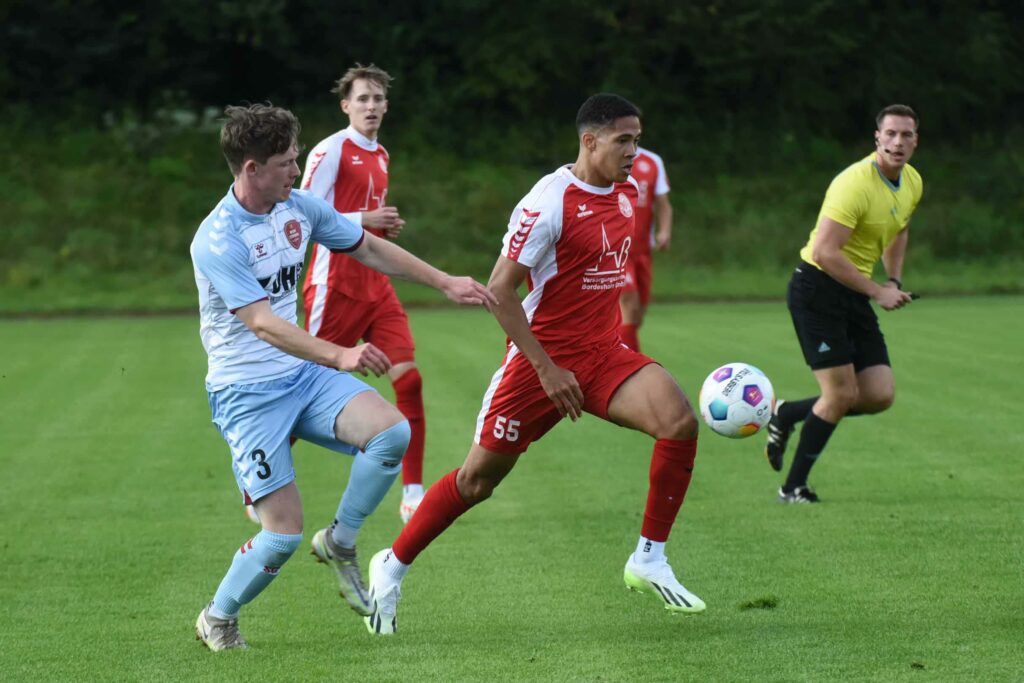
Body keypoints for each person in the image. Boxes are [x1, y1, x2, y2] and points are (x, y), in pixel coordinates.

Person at [361, 93, 706, 636]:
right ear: (589, 140)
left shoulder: (627, 190)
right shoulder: (547, 202)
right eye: (624, 141)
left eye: (637, 140)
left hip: (602, 353)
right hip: (536, 363)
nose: (634, 152)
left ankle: (648, 558)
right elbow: (499, 291)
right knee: (477, 482)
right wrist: (547, 369)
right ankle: (392, 564)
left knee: (679, 422)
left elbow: (606, 271)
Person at [190, 103, 495, 651]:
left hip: (299, 376)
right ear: (251, 168)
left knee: (390, 432)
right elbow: (261, 323)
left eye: (296, 157)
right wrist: (340, 354)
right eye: (286, 162)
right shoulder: (217, 239)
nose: (296, 169)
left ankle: (340, 540)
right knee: (280, 537)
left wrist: (444, 281)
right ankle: (217, 616)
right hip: (246, 396)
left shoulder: (299, 207)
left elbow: (370, 247)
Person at [765, 104, 922, 503]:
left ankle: (787, 414)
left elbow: (900, 228)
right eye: (890, 134)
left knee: (878, 393)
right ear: (877, 138)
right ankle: (792, 488)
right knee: (838, 394)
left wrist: (894, 279)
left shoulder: (913, 182)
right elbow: (825, 252)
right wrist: (877, 291)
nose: (898, 142)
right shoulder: (854, 183)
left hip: (853, 292)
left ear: (915, 141)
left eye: (906, 135)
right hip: (817, 290)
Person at [298, 64, 429, 524]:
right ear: (345, 105)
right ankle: (256, 481)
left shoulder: (381, 153)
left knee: (408, 379)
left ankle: (412, 491)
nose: (371, 106)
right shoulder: (330, 150)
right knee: (299, 388)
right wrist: (363, 220)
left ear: (386, 105)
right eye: (362, 99)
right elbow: (303, 213)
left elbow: (367, 220)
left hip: (376, 284)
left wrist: (380, 226)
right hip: (336, 286)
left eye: (378, 99)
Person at [618, 145, 673, 351]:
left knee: (637, 313)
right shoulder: (609, 159)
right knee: (629, 303)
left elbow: (663, 203)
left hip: (643, 251)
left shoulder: (652, 161)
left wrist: (664, 231)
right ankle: (631, 366)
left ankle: (614, 349)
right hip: (618, 250)